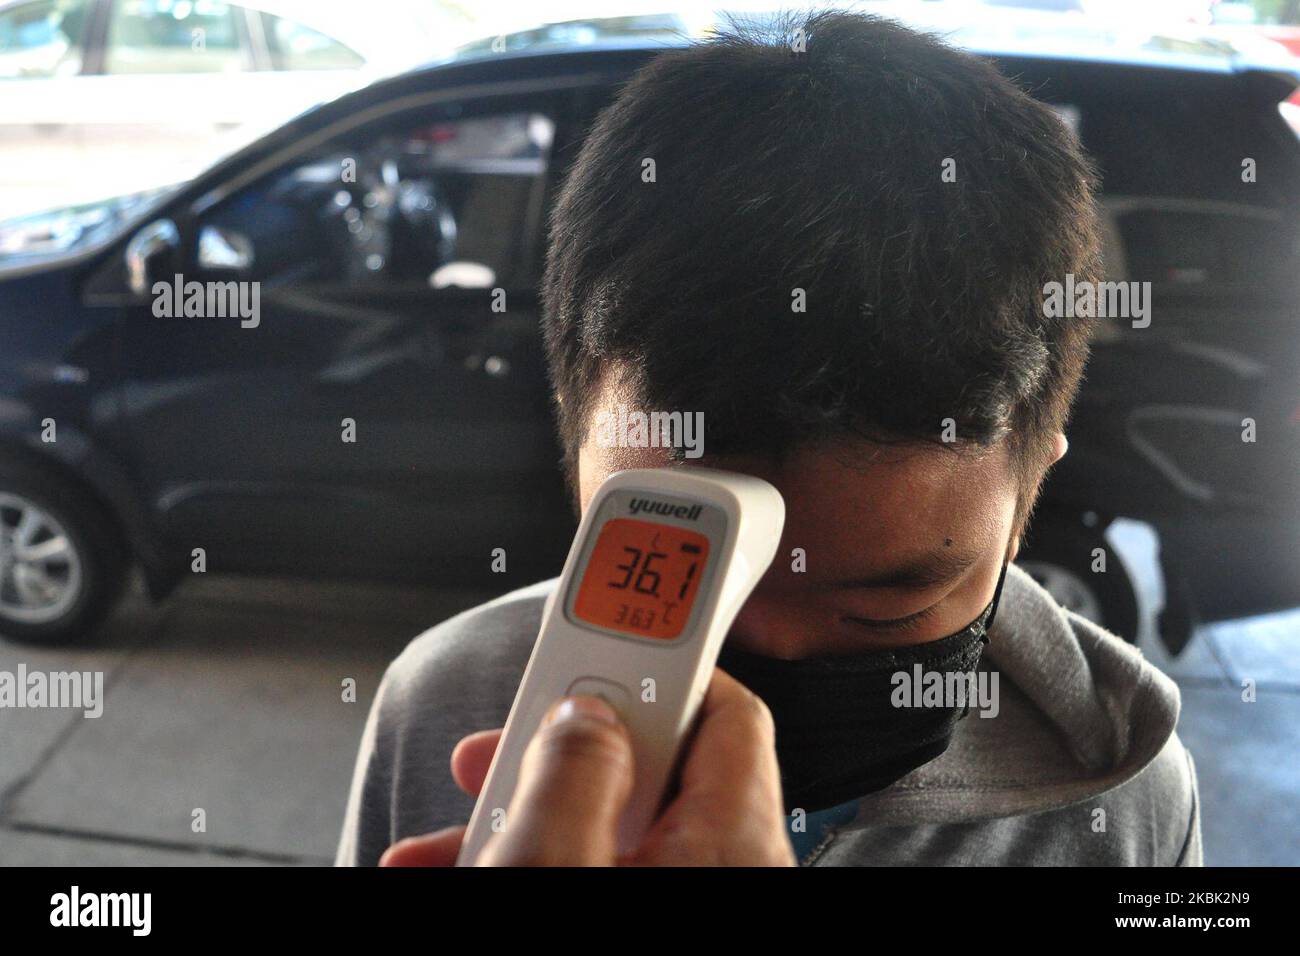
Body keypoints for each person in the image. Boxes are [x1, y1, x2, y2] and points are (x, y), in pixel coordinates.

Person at [336, 11, 1201, 867]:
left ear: (1026, 500)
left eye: (884, 611)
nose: (752, 694)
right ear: (575, 457)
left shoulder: (1127, 796)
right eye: (674, 576)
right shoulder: (441, 703)